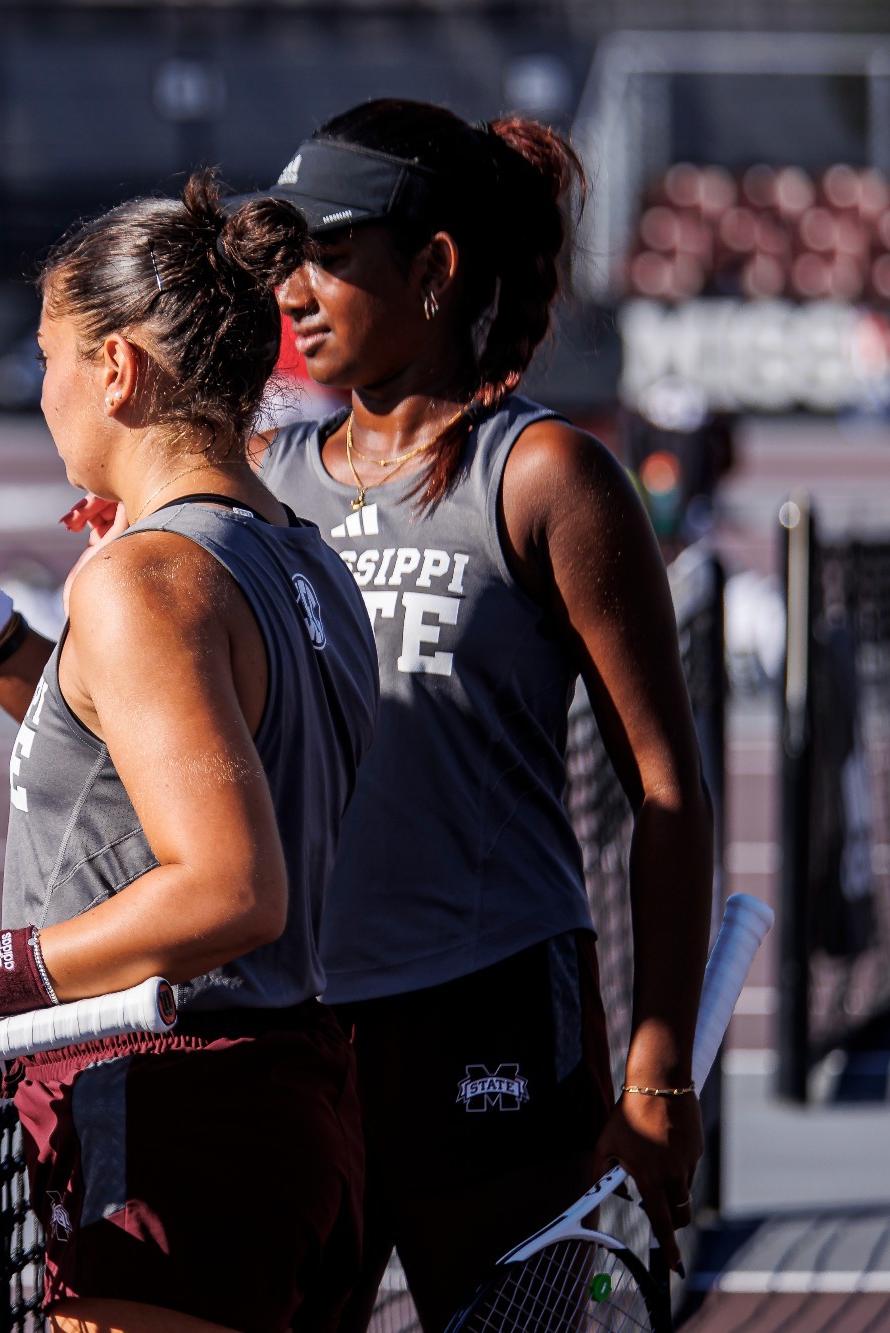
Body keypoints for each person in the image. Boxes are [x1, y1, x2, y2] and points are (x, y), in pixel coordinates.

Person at [0, 178, 380, 1333]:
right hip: (287, 1105)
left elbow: (229, 885)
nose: (45, 393)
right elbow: (135, 751)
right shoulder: (300, 557)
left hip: (167, 1108)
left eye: (48, 359)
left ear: (115, 370)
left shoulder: (142, 579)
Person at [243, 99, 715, 1329]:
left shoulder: (545, 476)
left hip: (492, 1008)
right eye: (284, 254)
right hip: (304, 1028)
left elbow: (663, 783)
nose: (293, 289)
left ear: (434, 268)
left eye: (329, 254)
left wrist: (655, 1067)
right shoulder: (258, 486)